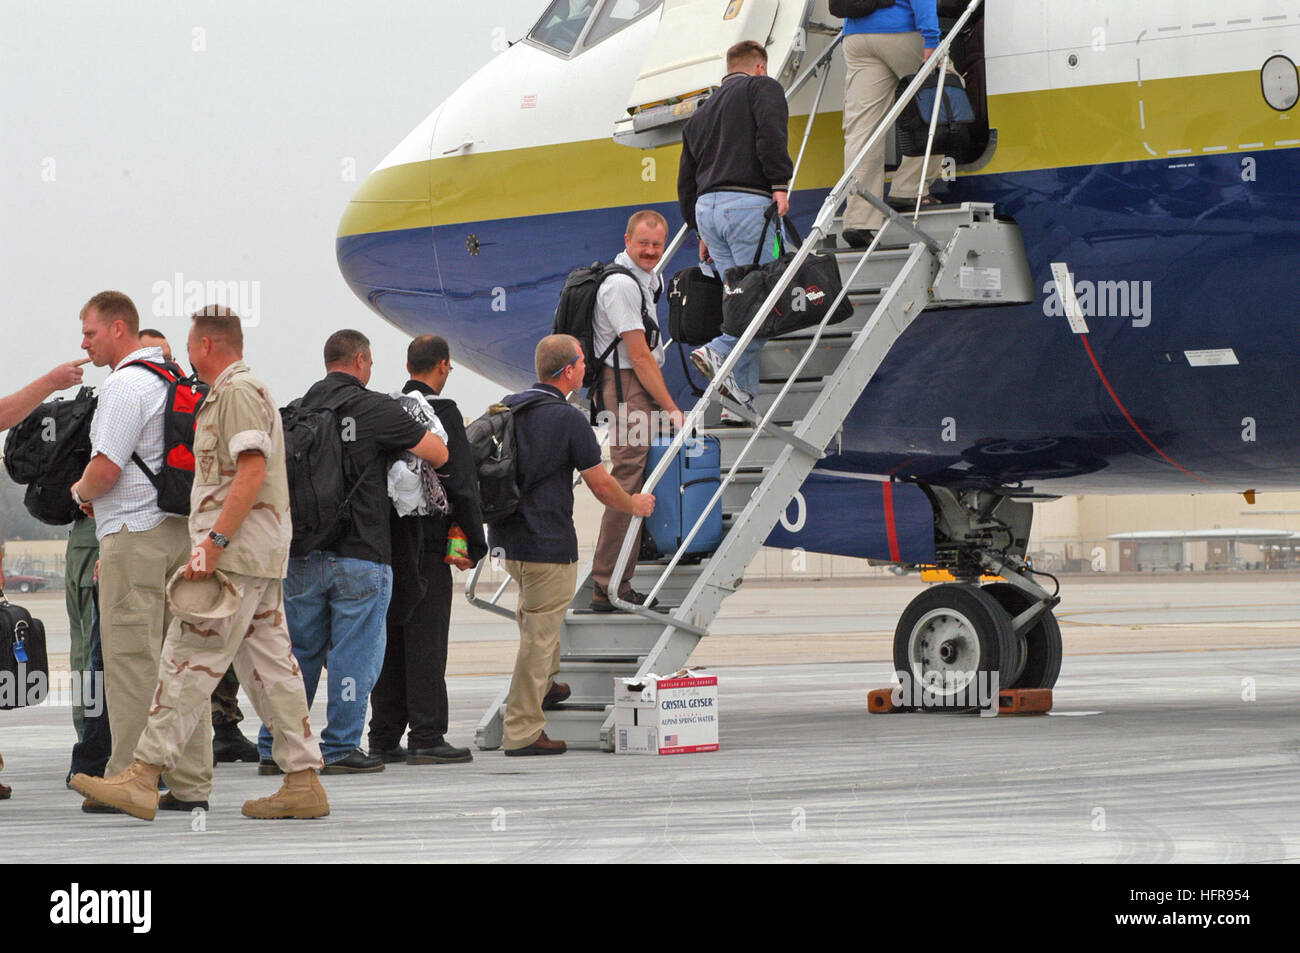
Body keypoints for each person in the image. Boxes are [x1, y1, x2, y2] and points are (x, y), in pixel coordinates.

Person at [71, 306, 328, 820]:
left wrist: (213, 542)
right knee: (272, 669)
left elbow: (249, 471)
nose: (186, 355)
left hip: (233, 557)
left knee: (185, 660)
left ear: (208, 345)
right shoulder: (233, 392)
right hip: (254, 555)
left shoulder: (236, 392)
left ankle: (142, 776)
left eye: (190, 346)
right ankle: (303, 780)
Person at [256, 329, 448, 774]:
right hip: (361, 553)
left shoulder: (295, 411)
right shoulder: (375, 407)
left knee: (295, 657)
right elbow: (437, 454)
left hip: (300, 555)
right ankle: (340, 747)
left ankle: (275, 747)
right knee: (353, 656)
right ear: (361, 360)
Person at [69, 290, 210, 814]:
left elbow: (104, 470)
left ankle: (128, 777)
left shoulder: (125, 384)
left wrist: (79, 495)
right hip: (181, 531)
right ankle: (192, 781)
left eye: (90, 332)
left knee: (132, 659)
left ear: (119, 329)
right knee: (184, 662)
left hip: (133, 534)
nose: (84, 343)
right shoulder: (177, 380)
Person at [491, 334, 655, 756]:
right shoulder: (568, 419)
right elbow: (602, 485)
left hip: (508, 542)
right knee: (540, 637)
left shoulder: (510, 406)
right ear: (569, 371)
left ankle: (545, 686)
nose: (586, 368)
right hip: (547, 542)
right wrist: (634, 504)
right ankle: (523, 731)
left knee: (534, 620)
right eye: (582, 362)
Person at [368, 335, 487, 765]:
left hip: (387, 542)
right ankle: (426, 734)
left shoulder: (385, 410)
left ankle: (382, 735)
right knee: (426, 638)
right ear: (443, 366)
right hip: (429, 544)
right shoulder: (443, 413)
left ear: (407, 364)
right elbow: (461, 481)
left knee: (392, 636)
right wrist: (476, 541)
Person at [678, 39, 793, 412]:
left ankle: (737, 401)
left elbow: (686, 179)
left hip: (708, 212)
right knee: (764, 299)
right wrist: (779, 184)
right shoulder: (763, 87)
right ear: (760, 66)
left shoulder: (699, 113)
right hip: (747, 206)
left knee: (739, 302)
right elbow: (771, 136)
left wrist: (698, 231)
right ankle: (719, 350)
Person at [589, 210, 686, 612]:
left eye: (657, 245)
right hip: (627, 387)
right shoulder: (621, 286)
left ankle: (622, 572)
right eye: (643, 244)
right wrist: (672, 407)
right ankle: (607, 585)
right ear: (627, 240)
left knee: (640, 475)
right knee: (627, 479)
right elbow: (640, 356)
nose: (650, 251)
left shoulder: (649, 277)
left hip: (635, 385)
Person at [840, 0, 945, 247]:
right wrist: (931, 38)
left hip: (857, 37)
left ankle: (859, 219)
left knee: (862, 131)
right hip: (901, 32)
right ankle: (909, 188)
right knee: (944, 96)